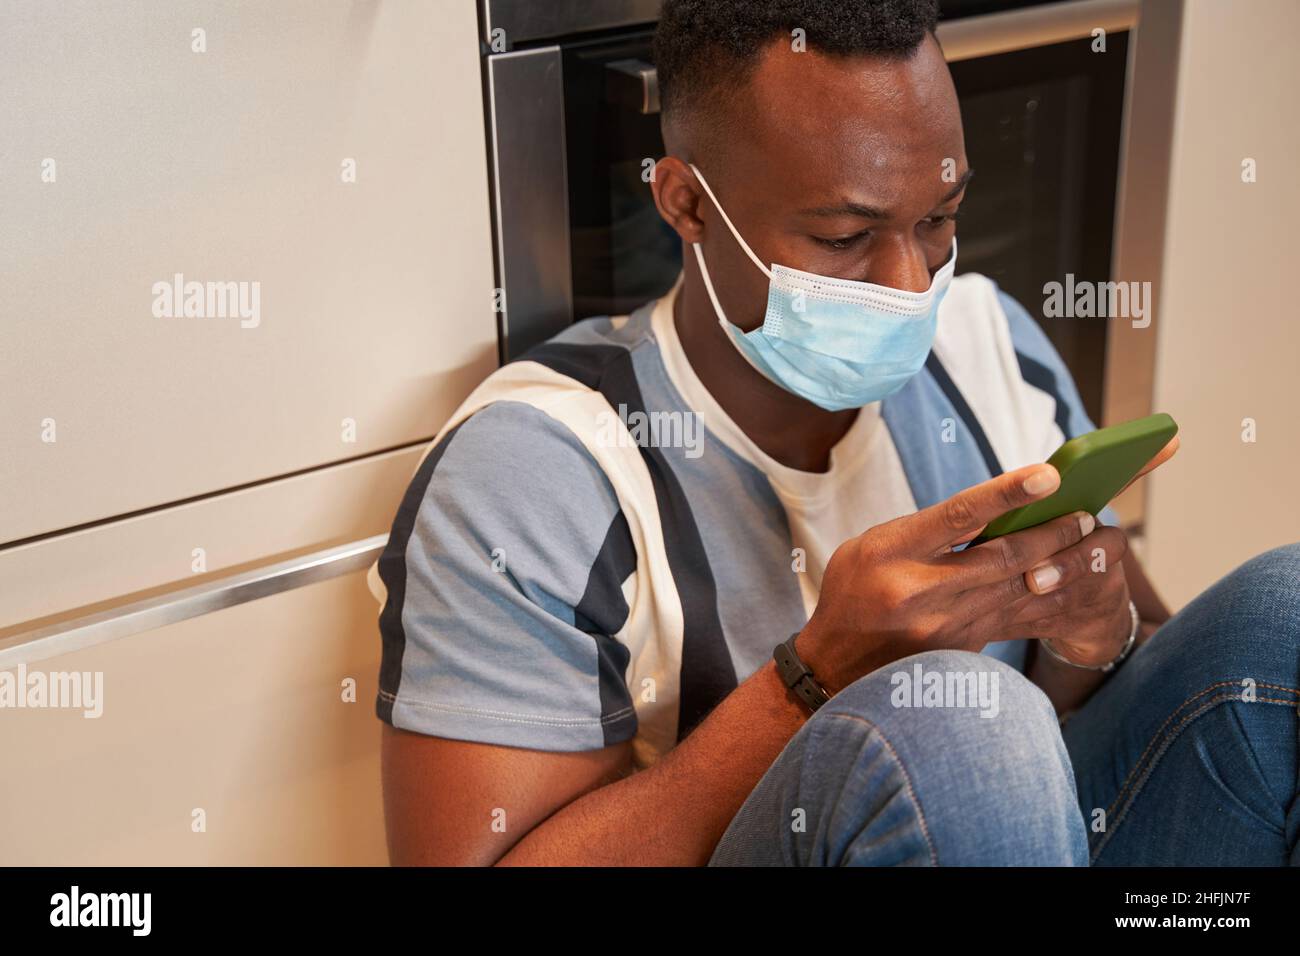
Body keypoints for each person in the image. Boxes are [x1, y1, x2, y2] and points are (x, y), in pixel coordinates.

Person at [370, 0, 1300, 866]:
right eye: (845, 237)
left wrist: (1090, 639)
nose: (909, 284)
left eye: (938, 218)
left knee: (1285, 611)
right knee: (964, 718)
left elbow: (1167, 741)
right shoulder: (534, 470)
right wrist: (813, 679)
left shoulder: (985, 340)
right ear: (688, 204)